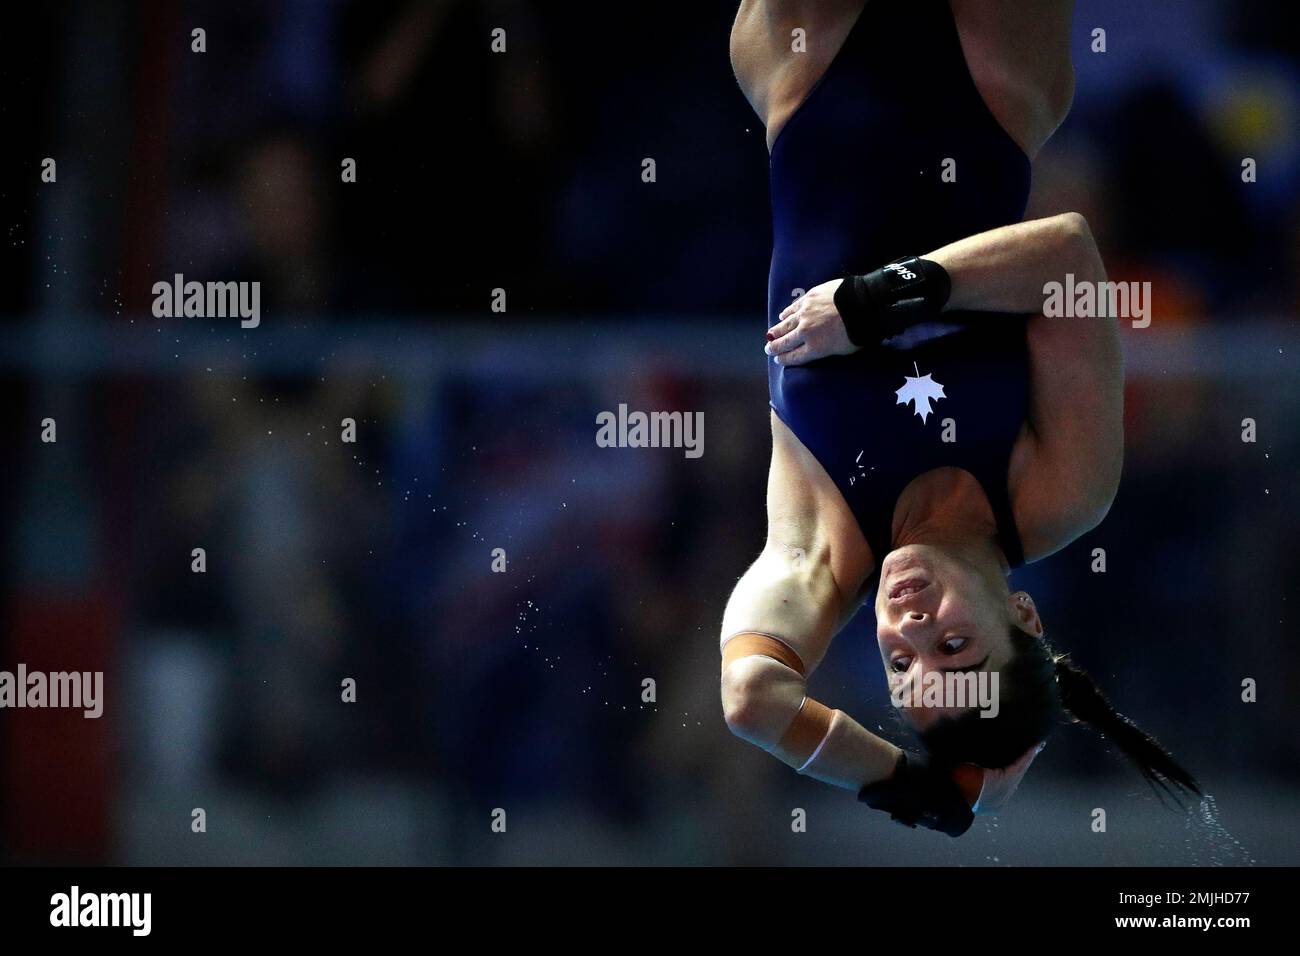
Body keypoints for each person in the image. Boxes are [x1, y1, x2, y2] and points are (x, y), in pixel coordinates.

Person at [721, 0, 1200, 836]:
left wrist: (927, 798)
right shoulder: (1059, 491)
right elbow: (1070, 259)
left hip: (809, 67)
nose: (910, 628)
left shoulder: (819, 551)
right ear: (1024, 617)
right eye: (953, 647)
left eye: (902, 665)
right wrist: (873, 304)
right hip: (993, 84)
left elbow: (752, 700)